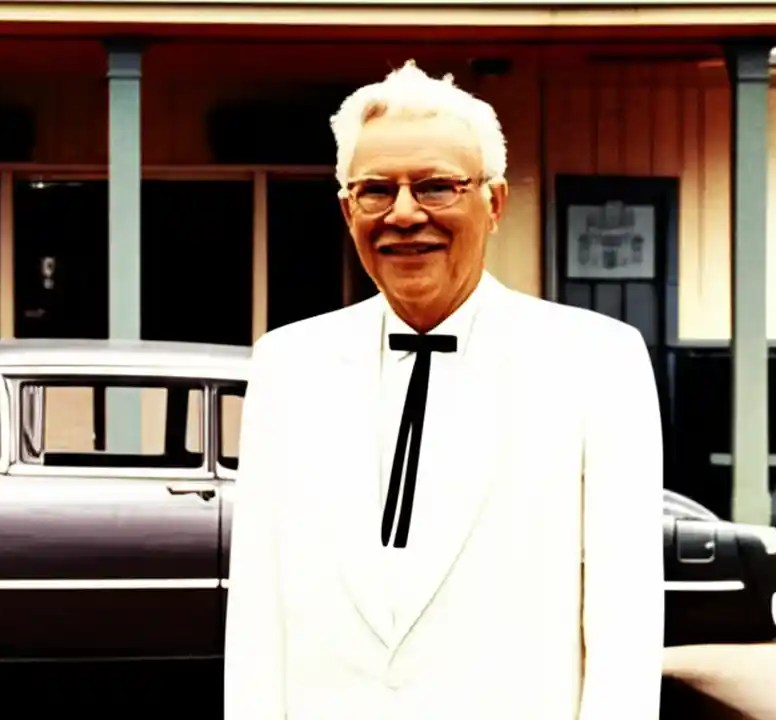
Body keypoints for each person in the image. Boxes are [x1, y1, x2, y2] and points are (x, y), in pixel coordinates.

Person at [223, 61, 664, 719]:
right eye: (375, 190)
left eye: (436, 186)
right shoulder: (287, 365)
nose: (403, 214)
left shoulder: (594, 362)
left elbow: (624, 622)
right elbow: (257, 617)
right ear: (348, 210)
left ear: (494, 202)